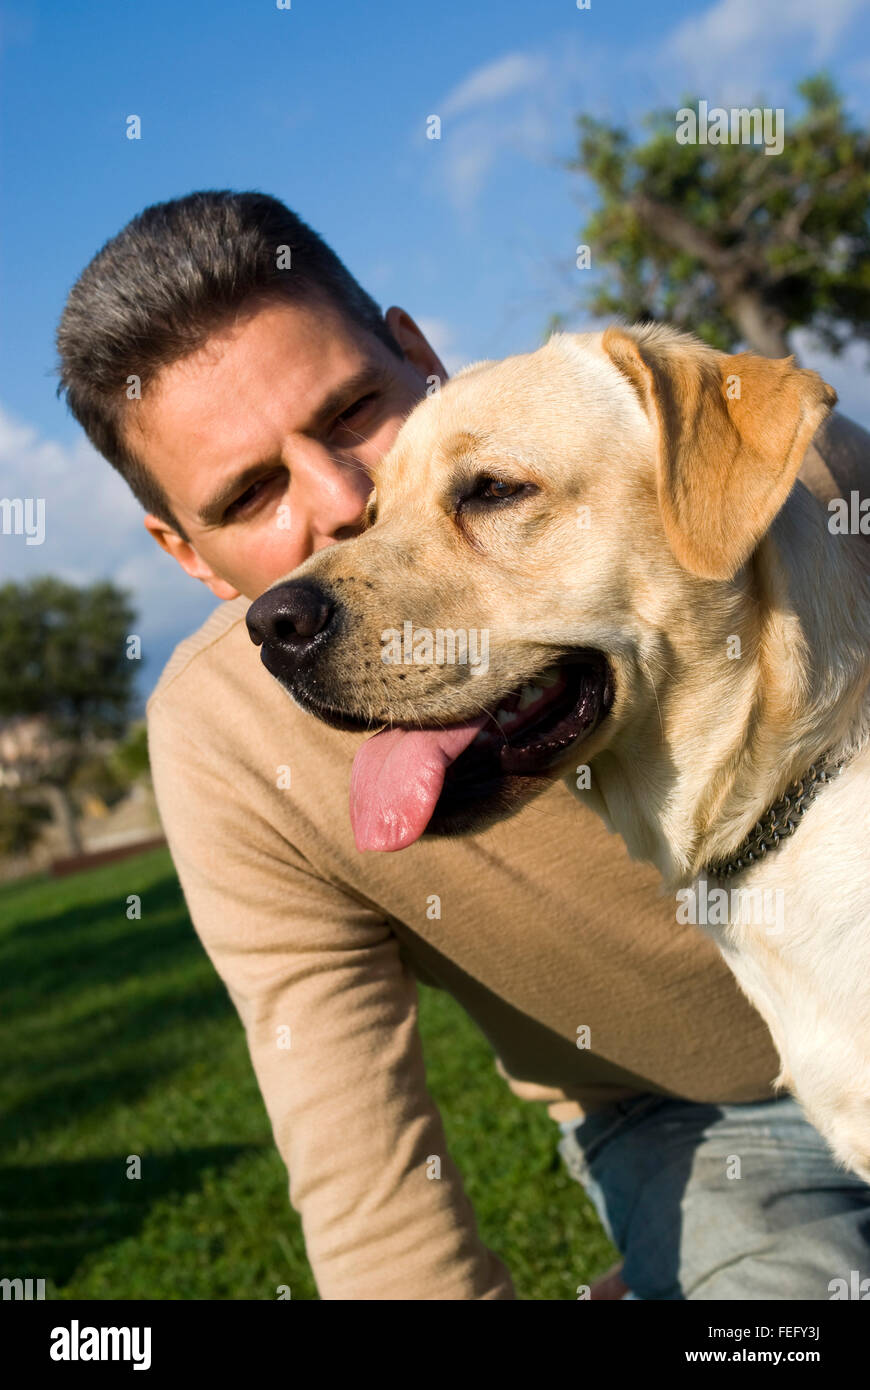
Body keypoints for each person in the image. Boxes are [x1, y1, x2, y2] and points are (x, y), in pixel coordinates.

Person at [55, 190, 870, 1301]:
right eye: (251, 493)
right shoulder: (225, 750)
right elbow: (365, 1179)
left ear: (420, 356)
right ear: (184, 552)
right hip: (684, 1116)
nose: (346, 504)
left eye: (352, 413)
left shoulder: (796, 476)